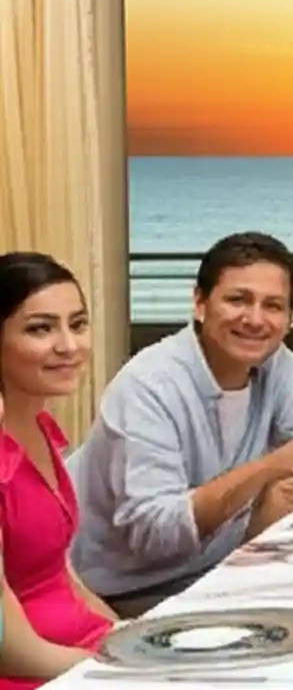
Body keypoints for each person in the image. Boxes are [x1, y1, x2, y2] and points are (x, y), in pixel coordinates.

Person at [68, 232, 293, 618]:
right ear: (200, 303)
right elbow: (155, 535)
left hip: (219, 569)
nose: (255, 319)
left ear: (289, 319)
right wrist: (270, 468)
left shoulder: (277, 363)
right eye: (238, 300)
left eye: (273, 306)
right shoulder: (148, 385)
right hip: (129, 590)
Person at [0, 253, 115, 689]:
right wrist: (112, 669)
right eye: (40, 329)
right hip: (32, 672)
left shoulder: (42, 428)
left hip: (79, 650)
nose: (69, 346)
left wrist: (131, 636)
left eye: (78, 324)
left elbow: (60, 574)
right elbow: (8, 646)